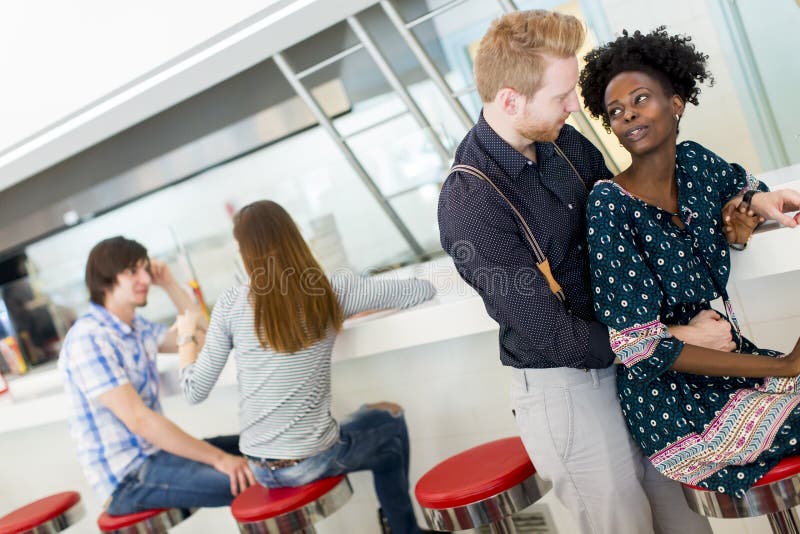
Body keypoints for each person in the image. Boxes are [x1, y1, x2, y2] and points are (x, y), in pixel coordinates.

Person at [437, 10, 716, 534]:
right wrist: (675, 338)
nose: (576, 104)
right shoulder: (469, 202)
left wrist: (738, 205)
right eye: (561, 95)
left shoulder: (562, 140)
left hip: (635, 366)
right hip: (568, 391)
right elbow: (552, 335)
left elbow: (629, 213)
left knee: (686, 522)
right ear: (511, 100)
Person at [579, 27, 800, 497]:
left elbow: (742, 186)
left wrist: (759, 202)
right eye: (615, 111)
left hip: (736, 366)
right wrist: (784, 367)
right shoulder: (609, 206)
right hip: (676, 407)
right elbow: (639, 351)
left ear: (676, 102)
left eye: (641, 99)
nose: (628, 116)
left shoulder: (695, 164)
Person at [175, 200, 437, 534]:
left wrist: (186, 336)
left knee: (362, 418)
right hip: (313, 461)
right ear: (295, 239)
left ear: (245, 253)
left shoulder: (230, 303)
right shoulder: (328, 293)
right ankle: (404, 530)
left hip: (259, 466)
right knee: (390, 424)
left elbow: (193, 390)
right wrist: (350, 308)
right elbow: (420, 290)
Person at [59, 236, 255, 514]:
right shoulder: (89, 338)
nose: (145, 279)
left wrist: (169, 284)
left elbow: (199, 336)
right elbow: (140, 421)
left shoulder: (135, 327)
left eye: (145, 269)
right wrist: (220, 459)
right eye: (132, 272)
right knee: (251, 476)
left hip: (157, 456)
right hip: (126, 479)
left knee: (260, 446)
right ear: (104, 281)